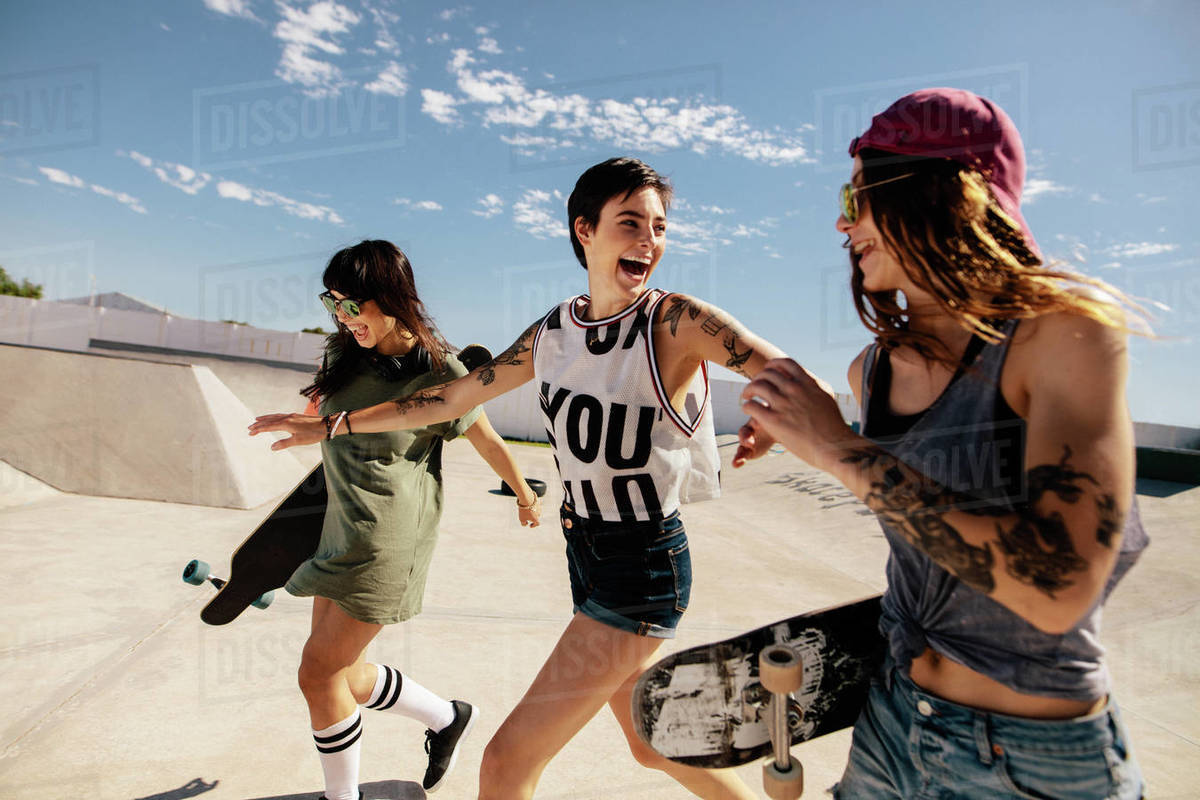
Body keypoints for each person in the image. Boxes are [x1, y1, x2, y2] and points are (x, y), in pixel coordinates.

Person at [250, 158, 790, 799]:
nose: (649, 240)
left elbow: (781, 371)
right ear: (584, 230)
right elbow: (453, 399)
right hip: (587, 553)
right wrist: (334, 424)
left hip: (643, 565)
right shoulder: (556, 331)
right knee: (652, 744)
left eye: (659, 227)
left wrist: (773, 410)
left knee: (506, 764)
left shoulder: (675, 321)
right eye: (630, 223)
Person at [735, 89, 1148, 799]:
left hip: (1028, 763)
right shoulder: (872, 372)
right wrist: (800, 423)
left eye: (856, 197)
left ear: (940, 191)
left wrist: (838, 449)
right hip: (892, 726)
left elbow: (1058, 589)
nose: (842, 223)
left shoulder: (1062, 333)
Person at [282, 240, 542, 799]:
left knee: (317, 673)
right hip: (339, 528)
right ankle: (448, 717)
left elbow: (487, 439)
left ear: (391, 298)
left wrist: (525, 495)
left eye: (353, 305)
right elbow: (323, 415)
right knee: (348, 676)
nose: (342, 316)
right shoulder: (342, 354)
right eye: (332, 302)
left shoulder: (438, 370)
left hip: (388, 538)